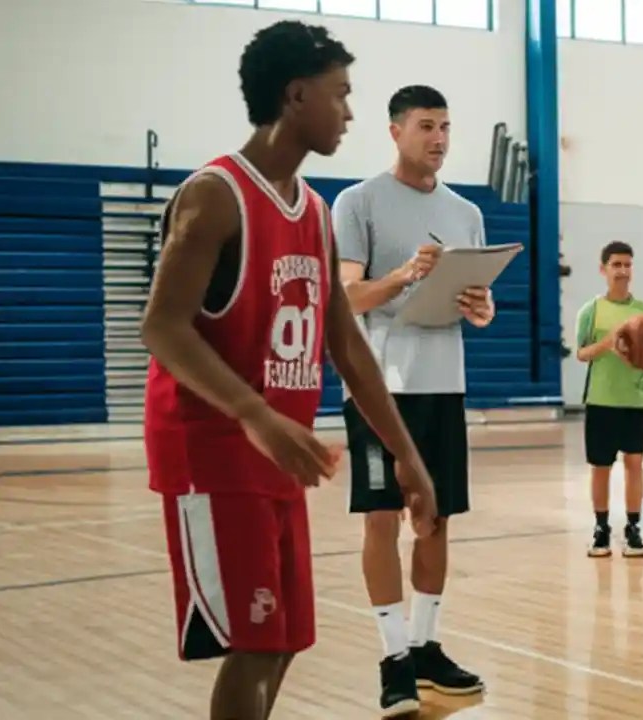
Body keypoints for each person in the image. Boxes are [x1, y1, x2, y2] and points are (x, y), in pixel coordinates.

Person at [141, 21, 437, 720]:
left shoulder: (314, 210)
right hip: (210, 448)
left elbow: (350, 346)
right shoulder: (215, 194)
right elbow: (161, 324)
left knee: (283, 639)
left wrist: (407, 455)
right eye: (341, 94)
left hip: (276, 450)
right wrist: (254, 414)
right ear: (297, 95)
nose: (350, 111)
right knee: (253, 639)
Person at [332, 85, 489, 714]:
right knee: (381, 518)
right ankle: (392, 656)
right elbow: (346, 297)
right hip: (379, 388)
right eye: (427, 125)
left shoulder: (466, 213)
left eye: (447, 126)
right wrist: (403, 275)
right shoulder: (357, 202)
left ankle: (425, 645)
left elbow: (477, 298)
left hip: (443, 384)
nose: (440, 138)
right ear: (396, 130)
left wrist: (481, 306)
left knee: (437, 517)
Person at [574, 240, 643, 558]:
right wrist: (609, 343)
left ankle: (633, 527)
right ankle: (601, 528)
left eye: (627, 264)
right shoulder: (590, 311)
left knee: (635, 463)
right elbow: (581, 353)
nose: (623, 270)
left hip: (635, 400)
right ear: (603, 269)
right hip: (601, 400)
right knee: (601, 467)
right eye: (616, 264)